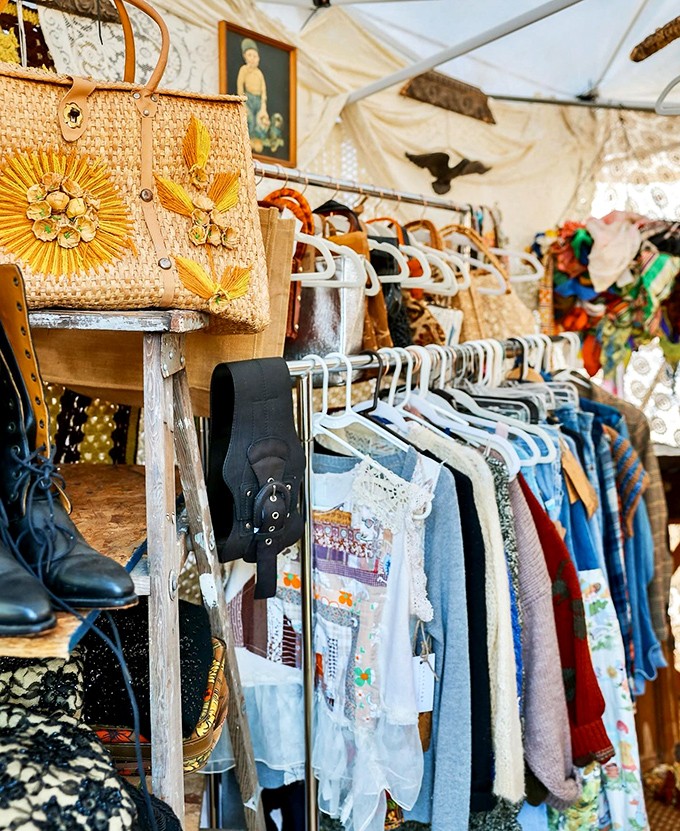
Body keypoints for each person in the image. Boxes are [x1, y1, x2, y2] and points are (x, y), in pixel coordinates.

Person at [236, 38, 269, 141]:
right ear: (245, 57)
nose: (252, 58)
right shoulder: (244, 70)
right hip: (248, 98)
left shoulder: (259, 73)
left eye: (255, 56)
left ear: (258, 58)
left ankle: (257, 138)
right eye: (250, 55)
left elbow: (263, 90)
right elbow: (240, 86)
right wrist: (243, 101)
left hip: (258, 100)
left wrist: (263, 104)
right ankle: (248, 140)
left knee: (260, 120)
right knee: (250, 118)